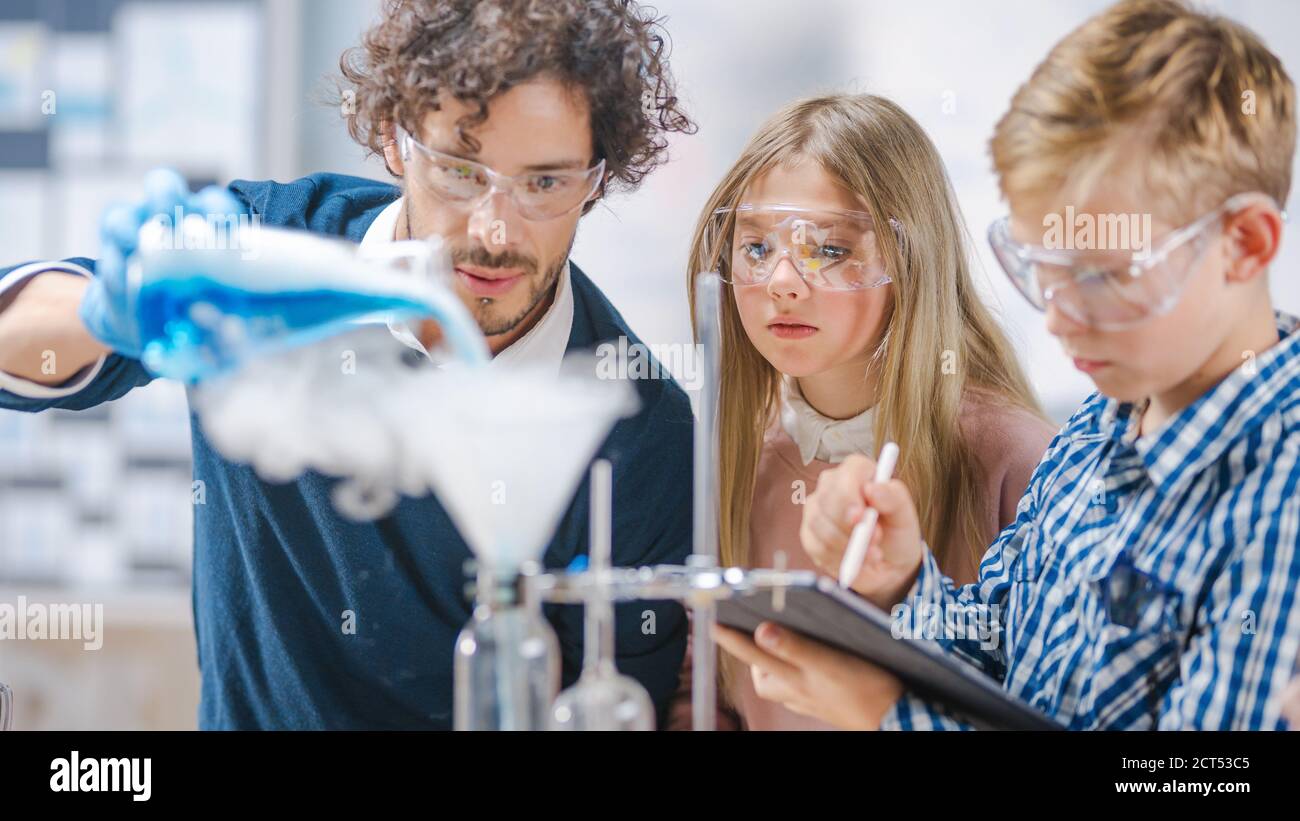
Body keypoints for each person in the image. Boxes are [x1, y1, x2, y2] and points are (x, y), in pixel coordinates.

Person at [0, 0, 697, 729]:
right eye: (461, 170)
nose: (496, 229)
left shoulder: (634, 427)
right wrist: (115, 307)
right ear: (397, 141)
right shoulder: (271, 259)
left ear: (597, 178)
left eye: (545, 184)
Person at [719, 0, 1300, 730]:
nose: (1057, 314)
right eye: (1037, 267)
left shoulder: (1282, 488)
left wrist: (889, 713)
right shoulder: (1095, 431)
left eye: (1101, 274)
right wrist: (901, 583)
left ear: (1245, 242)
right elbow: (1003, 657)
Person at [667, 93, 1056, 730]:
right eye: (757, 248)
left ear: (909, 261)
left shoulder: (1021, 463)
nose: (783, 282)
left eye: (830, 249)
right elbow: (702, 692)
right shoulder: (726, 458)